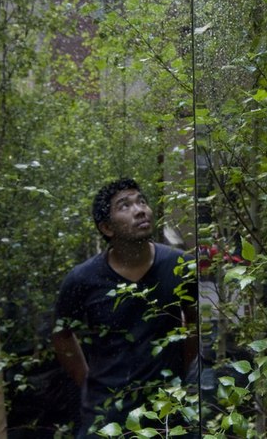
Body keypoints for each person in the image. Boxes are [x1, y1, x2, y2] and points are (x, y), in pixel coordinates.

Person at [52, 178, 198, 437]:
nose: (140, 209)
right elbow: (62, 335)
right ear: (107, 227)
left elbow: (195, 323)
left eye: (142, 201)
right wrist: (87, 381)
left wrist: (180, 373)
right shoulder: (82, 280)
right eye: (125, 205)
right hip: (106, 414)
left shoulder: (180, 266)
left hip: (167, 410)